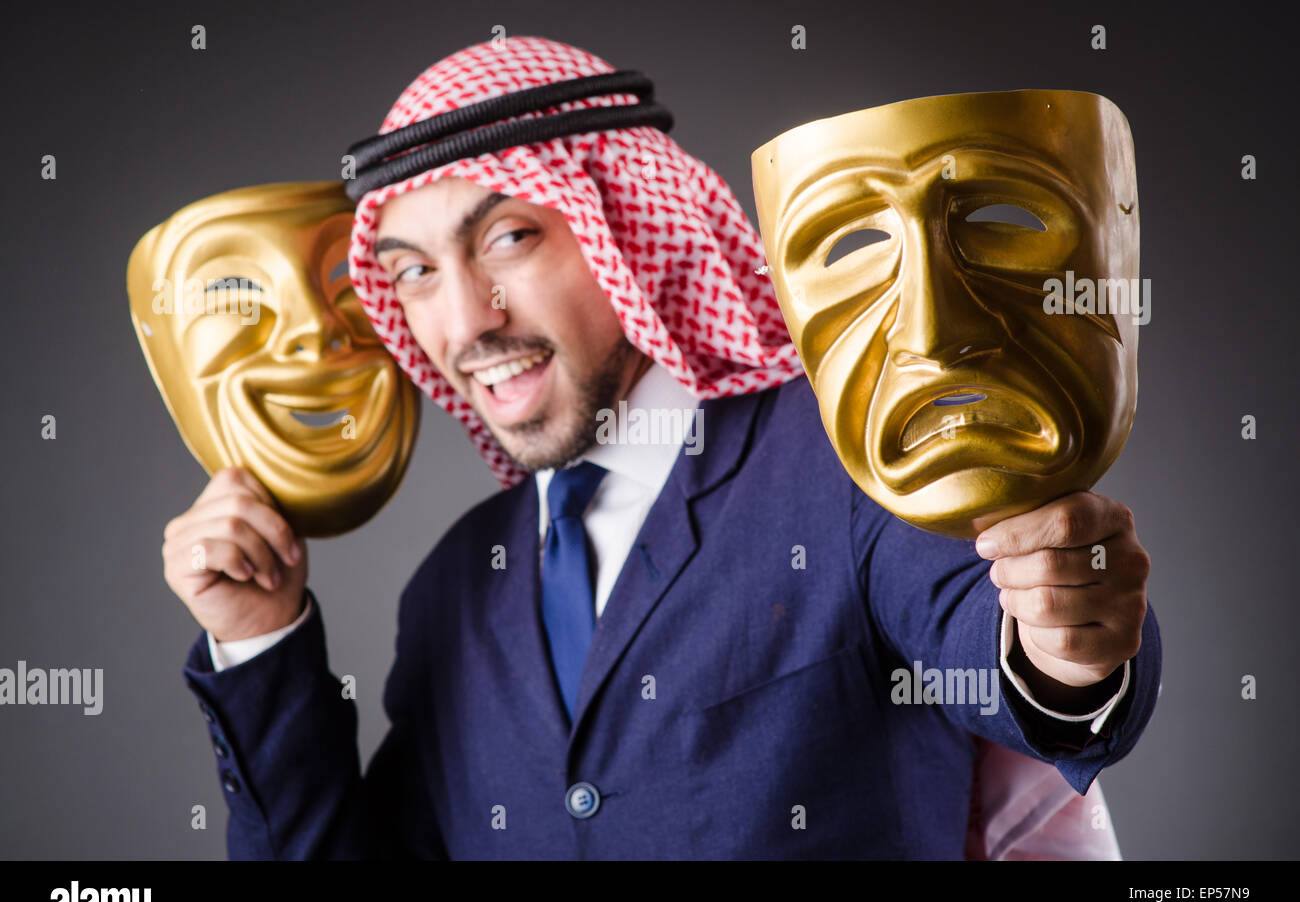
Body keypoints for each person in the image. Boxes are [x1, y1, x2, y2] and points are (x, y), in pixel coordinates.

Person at [164, 36, 1160, 859]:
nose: (467, 320)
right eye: (413, 272)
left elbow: (1002, 647)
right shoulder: (454, 589)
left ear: (634, 233)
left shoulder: (841, 459)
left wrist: (1061, 639)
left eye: (508, 239)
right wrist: (261, 635)